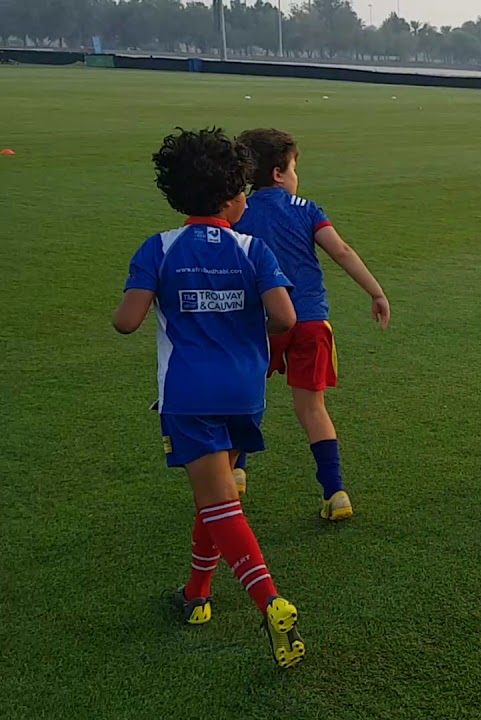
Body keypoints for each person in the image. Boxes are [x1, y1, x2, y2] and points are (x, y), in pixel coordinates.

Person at [113, 127, 305, 668]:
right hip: (245, 392)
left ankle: (271, 601)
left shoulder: (161, 247)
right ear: (229, 198)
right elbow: (285, 317)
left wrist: (154, 300)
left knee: (218, 502)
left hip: (189, 395)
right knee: (219, 494)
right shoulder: (254, 248)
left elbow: (126, 321)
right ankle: (196, 596)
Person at [233, 128, 391, 521]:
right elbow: (341, 250)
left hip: (261, 323)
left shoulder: (240, 212)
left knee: (245, 397)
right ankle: (335, 493)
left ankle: (235, 473)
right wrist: (376, 292)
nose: (296, 174)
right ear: (278, 173)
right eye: (294, 166)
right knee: (313, 408)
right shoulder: (306, 209)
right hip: (311, 321)